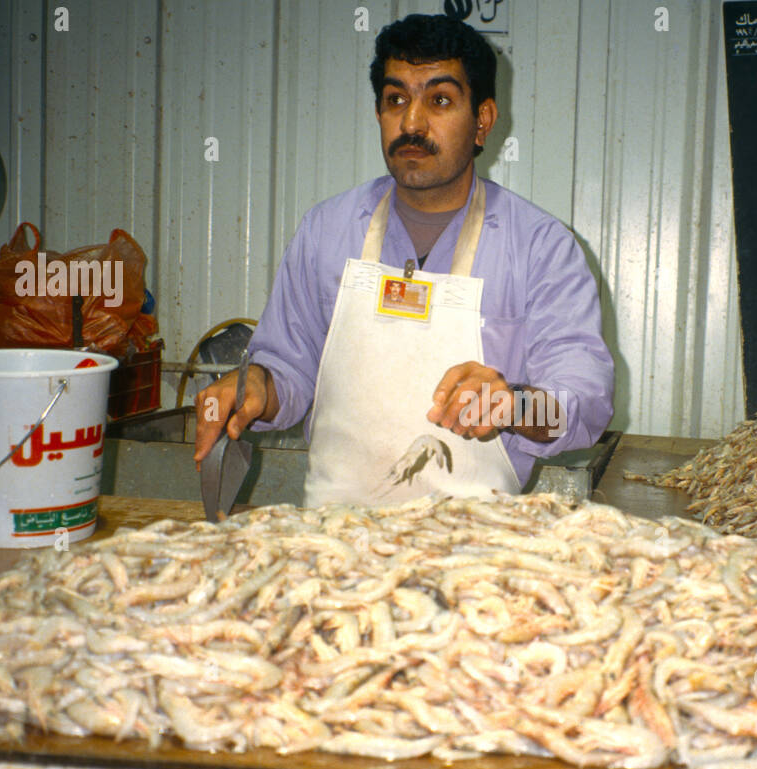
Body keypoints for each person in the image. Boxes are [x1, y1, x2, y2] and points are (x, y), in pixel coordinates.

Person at [193, 14, 614, 507]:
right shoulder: (327, 230)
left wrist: (513, 403)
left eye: (439, 100)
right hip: (334, 545)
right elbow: (289, 367)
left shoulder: (541, 247)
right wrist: (258, 387)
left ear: (482, 120)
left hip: (478, 552)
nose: (412, 123)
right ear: (378, 112)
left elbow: (582, 404)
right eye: (396, 100)